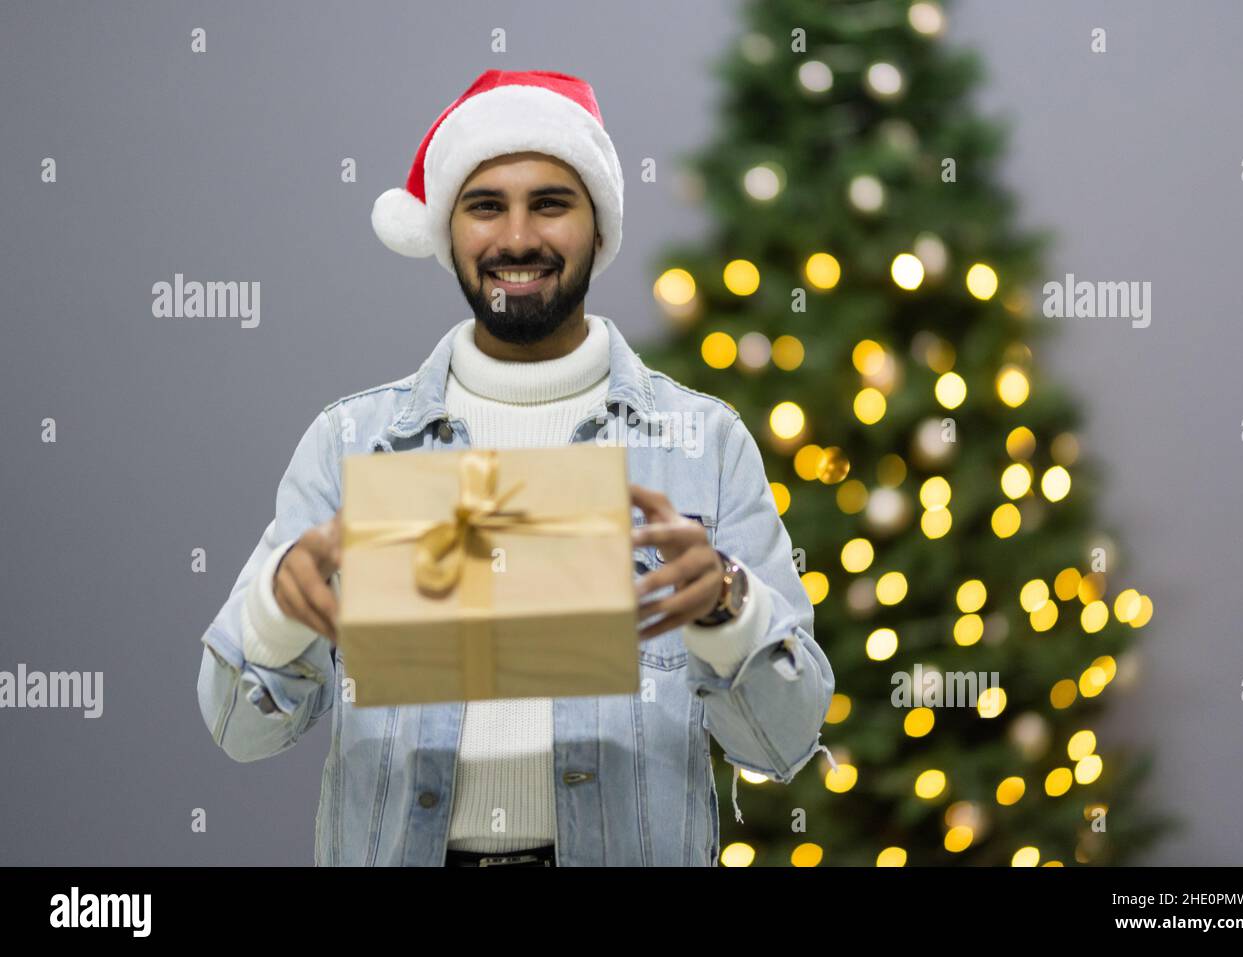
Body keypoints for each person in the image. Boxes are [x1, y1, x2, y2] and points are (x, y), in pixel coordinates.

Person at [196, 69, 836, 867]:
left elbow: (786, 739)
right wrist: (275, 611)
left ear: (598, 226)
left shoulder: (704, 442)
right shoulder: (350, 444)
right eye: (486, 205)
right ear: (447, 230)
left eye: (552, 203)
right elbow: (236, 731)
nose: (518, 239)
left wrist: (729, 611)